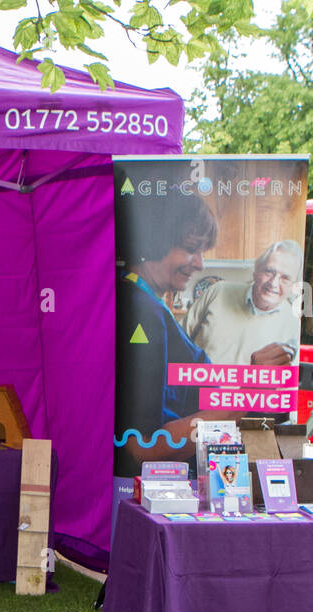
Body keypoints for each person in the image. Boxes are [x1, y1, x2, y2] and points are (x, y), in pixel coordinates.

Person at [115, 190, 234, 477]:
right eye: (191, 248)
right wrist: (243, 402)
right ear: (155, 241)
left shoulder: (145, 301)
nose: (200, 264)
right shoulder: (141, 310)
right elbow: (142, 448)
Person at [182, 240, 302, 366]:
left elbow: (288, 380)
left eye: (285, 278)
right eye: (269, 271)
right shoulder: (218, 291)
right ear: (256, 272)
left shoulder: (293, 325)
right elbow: (175, 339)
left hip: (250, 386)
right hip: (197, 384)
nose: (273, 284)